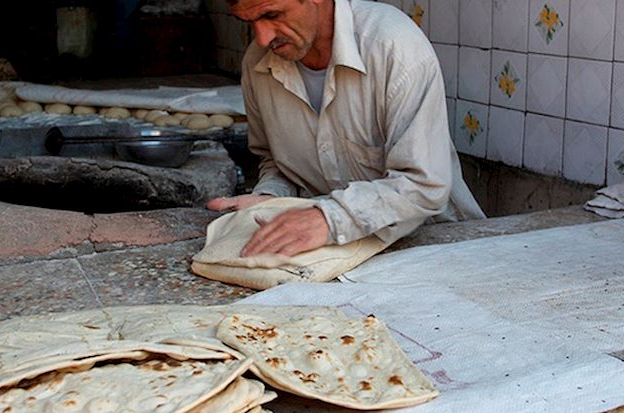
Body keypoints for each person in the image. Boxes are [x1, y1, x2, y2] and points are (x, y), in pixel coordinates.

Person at [206, 0, 484, 257]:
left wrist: (329, 218)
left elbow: (423, 185)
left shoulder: (392, 45)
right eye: (249, 21)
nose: (263, 38)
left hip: (435, 245)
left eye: (272, 15)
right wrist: (269, 200)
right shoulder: (257, 64)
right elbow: (277, 163)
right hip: (338, 254)